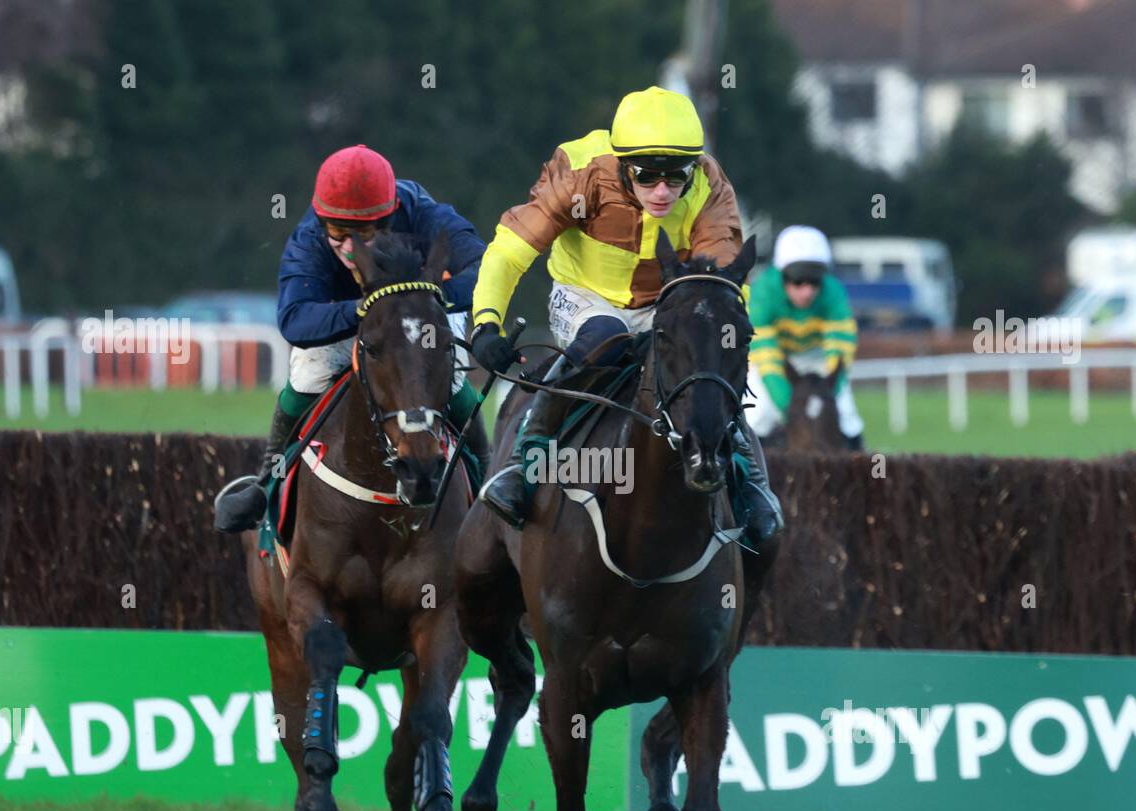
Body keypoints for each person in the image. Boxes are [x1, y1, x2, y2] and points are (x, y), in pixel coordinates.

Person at [467, 86, 782, 540]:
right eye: (647, 175)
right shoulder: (578, 172)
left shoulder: (710, 183)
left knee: (706, 357)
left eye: (676, 177)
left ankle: (746, 475)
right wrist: (486, 324)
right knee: (605, 337)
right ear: (621, 164)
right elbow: (509, 253)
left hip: (666, 303)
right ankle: (523, 462)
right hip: (586, 296)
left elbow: (723, 283)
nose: (662, 191)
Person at [214, 144, 488, 533]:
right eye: (337, 233)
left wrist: (429, 298)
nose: (347, 246)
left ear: (390, 217)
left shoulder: (424, 213)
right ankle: (266, 480)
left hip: (419, 317)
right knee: (307, 374)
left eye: (361, 233)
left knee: (454, 378)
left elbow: (484, 267)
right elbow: (294, 319)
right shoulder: (309, 236)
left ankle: (487, 480)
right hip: (354, 319)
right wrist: (365, 309)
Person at [746, 225, 865, 449]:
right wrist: (792, 407)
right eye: (797, 281)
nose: (807, 291)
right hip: (773, 359)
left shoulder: (834, 291)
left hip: (816, 358)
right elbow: (767, 359)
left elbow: (839, 355)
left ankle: (859, 469)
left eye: (814, 282)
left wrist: (827, 393)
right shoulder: (762, 292)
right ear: (782, 276)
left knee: (848, 416)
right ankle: (748, 477)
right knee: (758, 415)